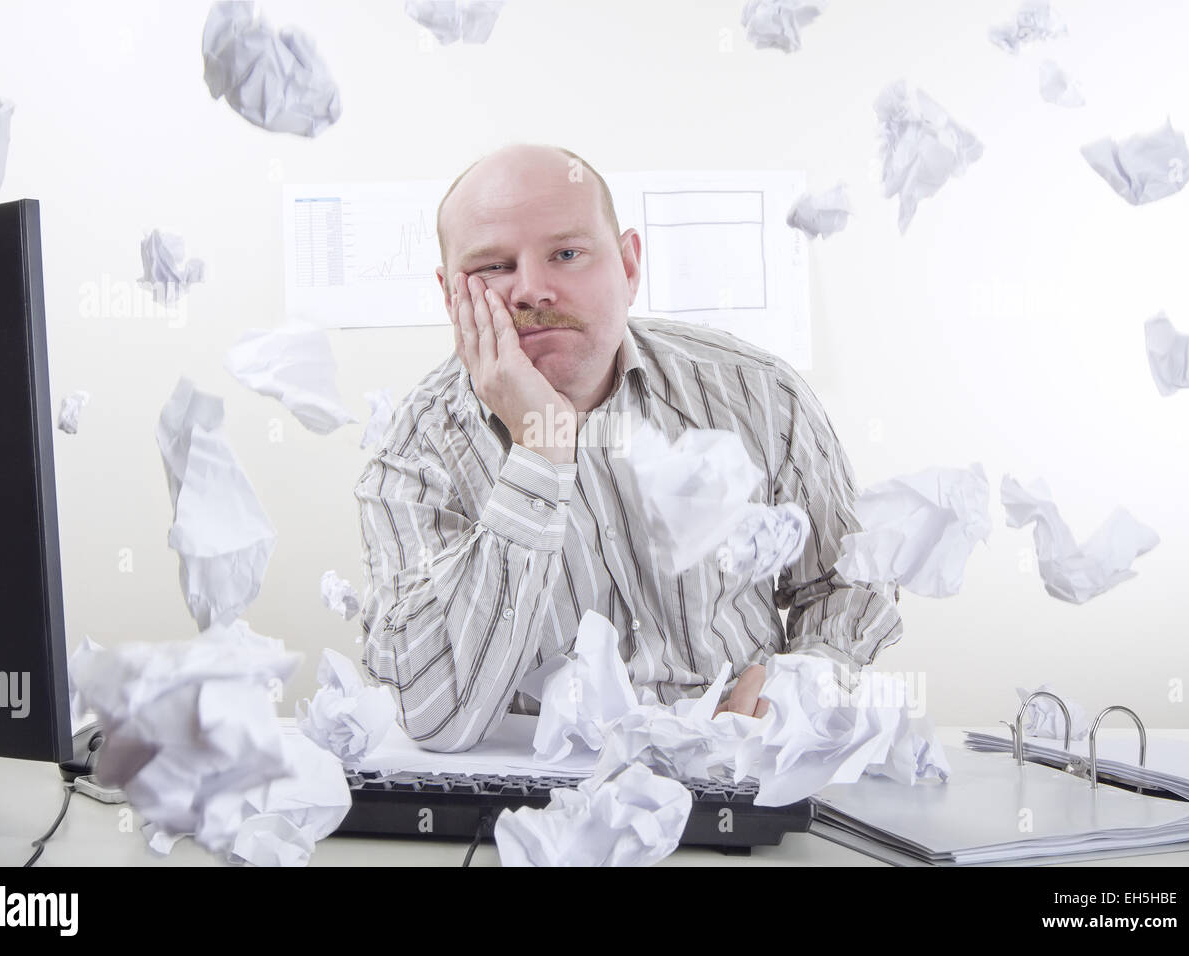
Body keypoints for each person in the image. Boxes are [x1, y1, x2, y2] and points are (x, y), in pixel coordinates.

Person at [354, 143, 901, 752]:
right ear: (450, 294)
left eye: (566, 253)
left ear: (629, 264)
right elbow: (433, 716)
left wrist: (808, 679)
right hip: (537, 809)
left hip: (739, 768)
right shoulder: (415, 449)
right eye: (492, 267)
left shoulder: (760, 395)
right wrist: (540, 449)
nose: (533, 291)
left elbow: (851, 580)